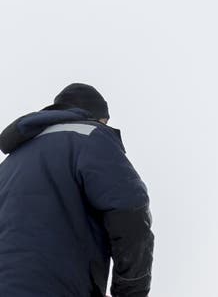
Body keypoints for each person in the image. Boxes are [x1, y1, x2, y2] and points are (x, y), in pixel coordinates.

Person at [0, 82, 154, 297]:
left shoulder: (9, 164)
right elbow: (130, 212)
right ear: (94, 115)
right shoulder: (89, 135)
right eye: (104, 120)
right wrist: (131, 290)